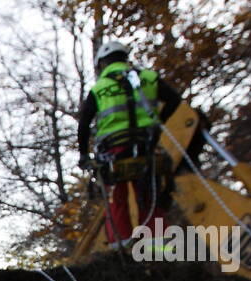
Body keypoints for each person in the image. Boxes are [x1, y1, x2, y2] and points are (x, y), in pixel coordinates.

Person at [77, 40, 185, 249]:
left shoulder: (100, 88)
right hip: (145, 147)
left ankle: (121, 251)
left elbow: (84, 124)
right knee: (149, 198)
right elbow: (173, 99)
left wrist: (83, 155)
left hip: (113, 151)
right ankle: (159, 252)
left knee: (117, 201)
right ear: (125, 57)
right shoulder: (147, 78)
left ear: (102, 63)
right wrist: (158, 123)